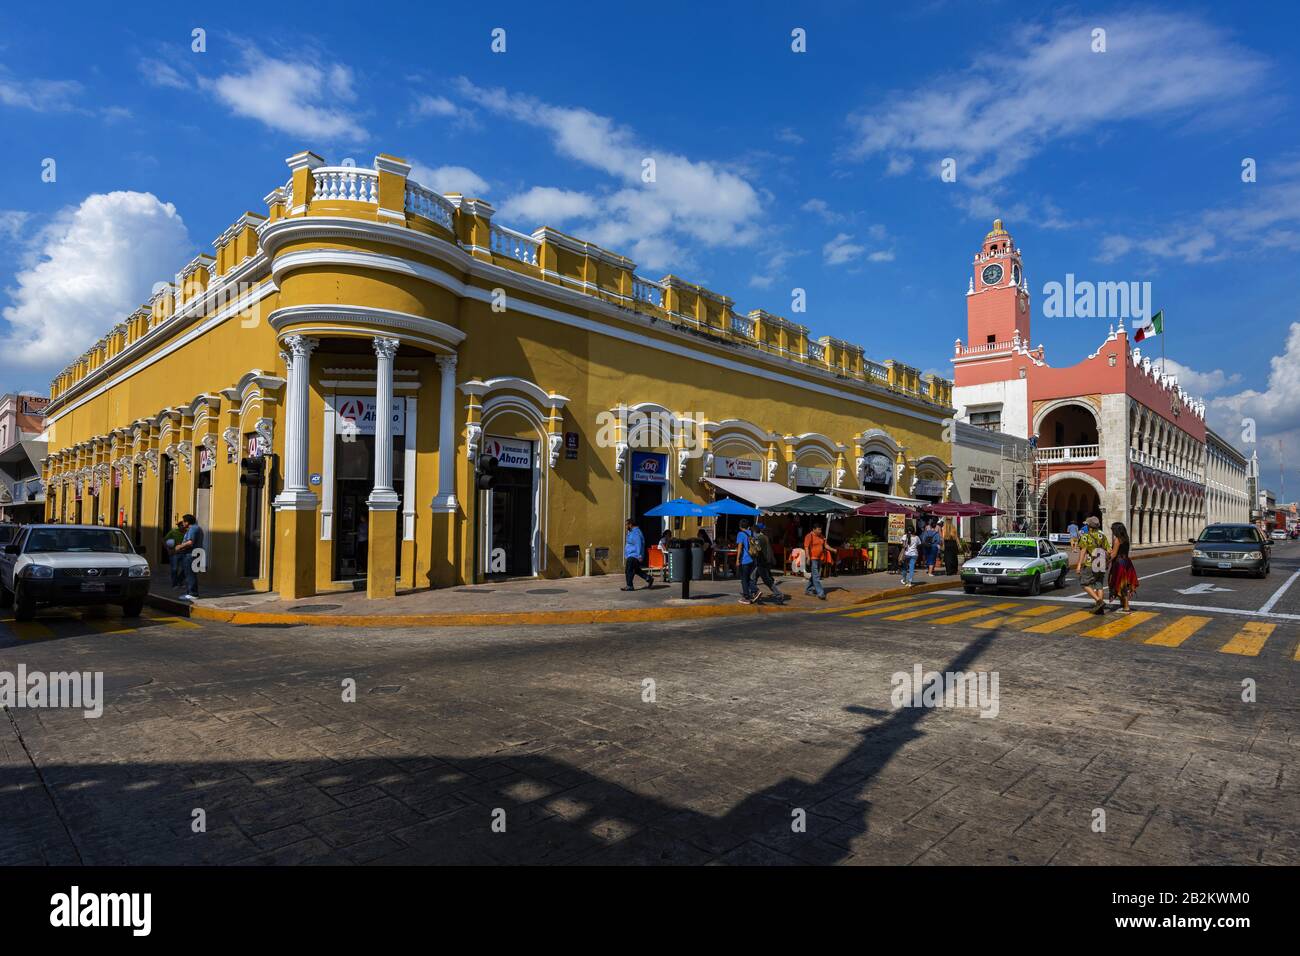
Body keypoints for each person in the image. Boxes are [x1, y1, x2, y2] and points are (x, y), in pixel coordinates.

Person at [1076, 516, 1110, 615]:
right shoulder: (1102, 536)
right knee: (1099, 584)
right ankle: (1100, 609)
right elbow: (1108, 550)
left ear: (1089, 526)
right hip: (1101, 562)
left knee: (1084, 583)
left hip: (1091, 563)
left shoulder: (1085, 536)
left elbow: (1083, 551)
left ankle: (1099, 601)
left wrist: (1079, 565)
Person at [750, 520, 787, 604]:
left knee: (765, 580)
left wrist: (752, 542)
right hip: (765, 562)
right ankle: (753, 593)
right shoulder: (765, 537)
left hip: (762, 562)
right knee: (754, 578)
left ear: (754, 532)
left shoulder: (758, 538)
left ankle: (778, 594)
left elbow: (757, 549)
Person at [1108, 522, 1138, 613]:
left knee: (1120, 584)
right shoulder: (1126, 539)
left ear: (1116, 530)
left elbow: (1114, 554)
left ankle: (1126, 606)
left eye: (1113, 529)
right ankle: (1123, 603)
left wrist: (1106, 559)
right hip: (1127, 562)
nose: (1112, 531)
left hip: (1119, 564)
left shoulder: (1117, 540)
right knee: (1125, 584)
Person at [175, 514, 204, 600]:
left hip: (191, 554)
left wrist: (179, 546)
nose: (183, 523)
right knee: (188, 573)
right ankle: (189, 592)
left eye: (184, 521)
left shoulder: (193, 529)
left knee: (190, 574)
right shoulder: (196, 528)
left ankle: (193, 593)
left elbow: (190, 542)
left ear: (187, 522)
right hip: (193, 554)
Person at [622, 519, 654, 591]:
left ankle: (629, 585)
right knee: (636, 570)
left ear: (630, 525)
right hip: (631, 554)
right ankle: (648, 578)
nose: (626, 526)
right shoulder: (631, 532)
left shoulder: (636, 532)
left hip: (634, 555)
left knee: (629, 570)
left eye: (627, 524)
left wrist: (639, 555)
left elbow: (638, 544)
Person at [803, 522, 832, 600]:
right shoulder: (809, 536)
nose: (820, 531)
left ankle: (808, 590)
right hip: (813, 558)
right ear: (814, 529)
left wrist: (833, 550)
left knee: (814, 575)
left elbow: (825, 545)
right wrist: (808, 557)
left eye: (821, 529)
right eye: (819, 529)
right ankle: (820, 593)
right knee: (816, 576)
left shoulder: (821, 536)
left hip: (819, 558)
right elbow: (806, 547)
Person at [736, 519, 758, 604]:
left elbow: (740, 547)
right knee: (748, 578)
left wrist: (737, 560)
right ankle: (754, 591)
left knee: (744, 579)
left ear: (740, 526)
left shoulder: (741, 534)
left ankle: (748, 596)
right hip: (753, 559)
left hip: (745, 560)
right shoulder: (752, 533)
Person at [163, 519, 185, 587]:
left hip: (184, 553)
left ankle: (179, 581)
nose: (183, 527)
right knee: (174, 569)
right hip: (174, 553)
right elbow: (164, 540)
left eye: (183, 525)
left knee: (185, 568)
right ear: (178, 526)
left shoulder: (187, 532)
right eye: (181, 525)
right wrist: (168, 550)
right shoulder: (173, 532)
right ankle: (175, 584)